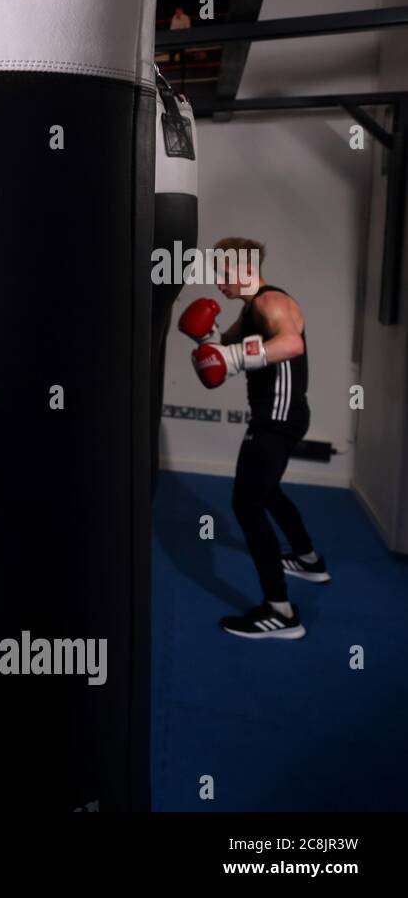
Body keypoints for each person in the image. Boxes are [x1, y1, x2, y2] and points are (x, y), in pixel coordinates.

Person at [181, 237, 330, 641]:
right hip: (282, 416)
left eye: (223, 273)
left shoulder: (271, 303)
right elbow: (222, 349)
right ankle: (308, 559)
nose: (219, 282)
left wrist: (231, 359)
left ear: (245, 268)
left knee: (246, 504)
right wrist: (208, 340)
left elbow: (291, 344)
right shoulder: (250, 309)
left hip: (276, 420)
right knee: (267, 491)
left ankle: (280, 612)